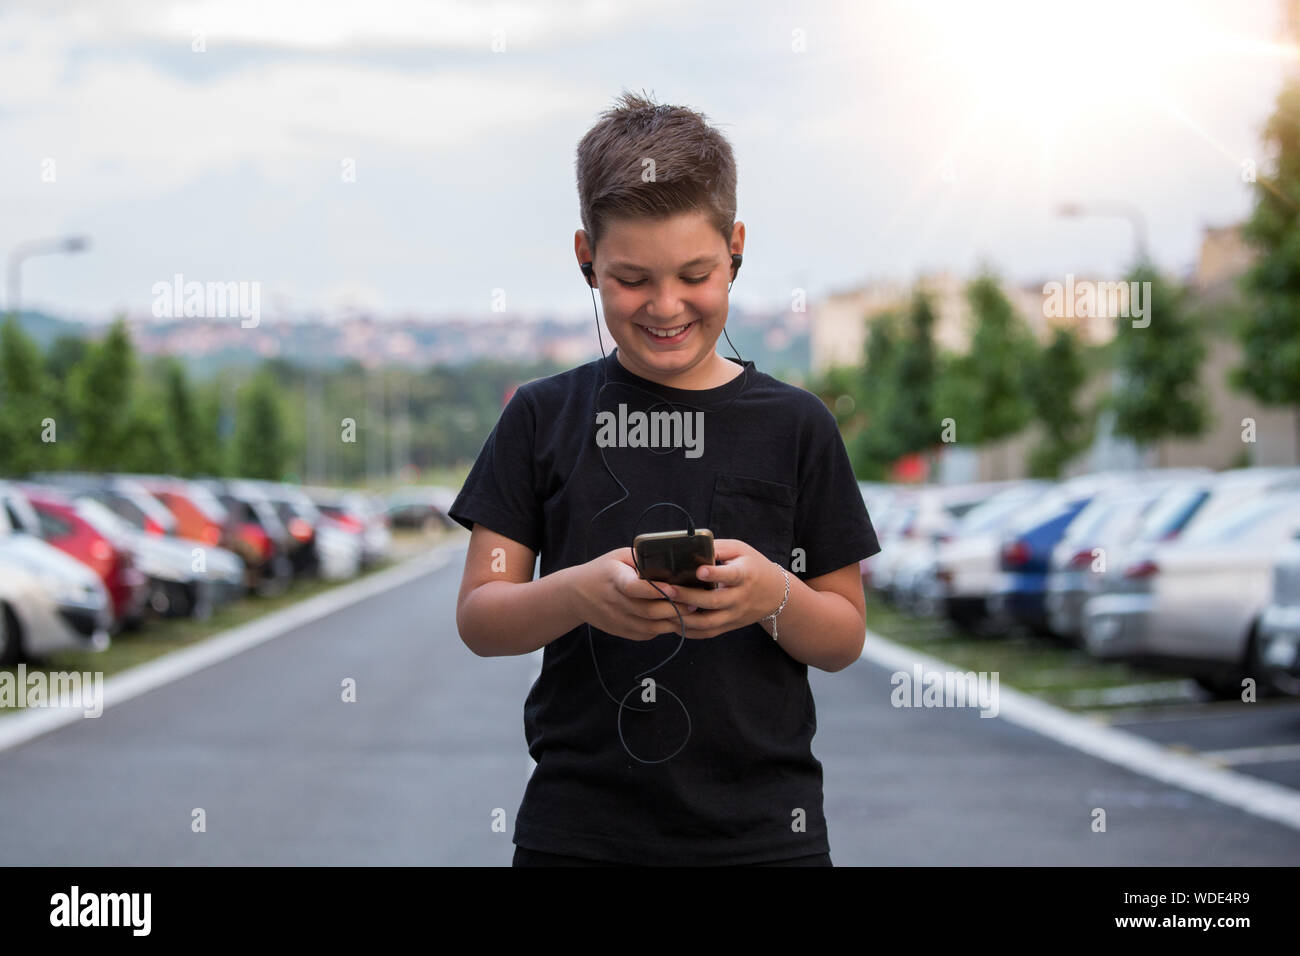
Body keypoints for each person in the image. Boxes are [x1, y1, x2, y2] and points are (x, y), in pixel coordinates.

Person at [449, 90, 881, 866]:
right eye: (631, 279)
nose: (666, 305)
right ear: (586, 258)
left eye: (695, 273)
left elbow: (844, 634)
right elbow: (483, 616)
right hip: (579, 836)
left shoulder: (797, 426)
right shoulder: (541, 419)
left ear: (736, 248)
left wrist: (773, 597)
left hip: (764, 839)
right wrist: (578, 592)